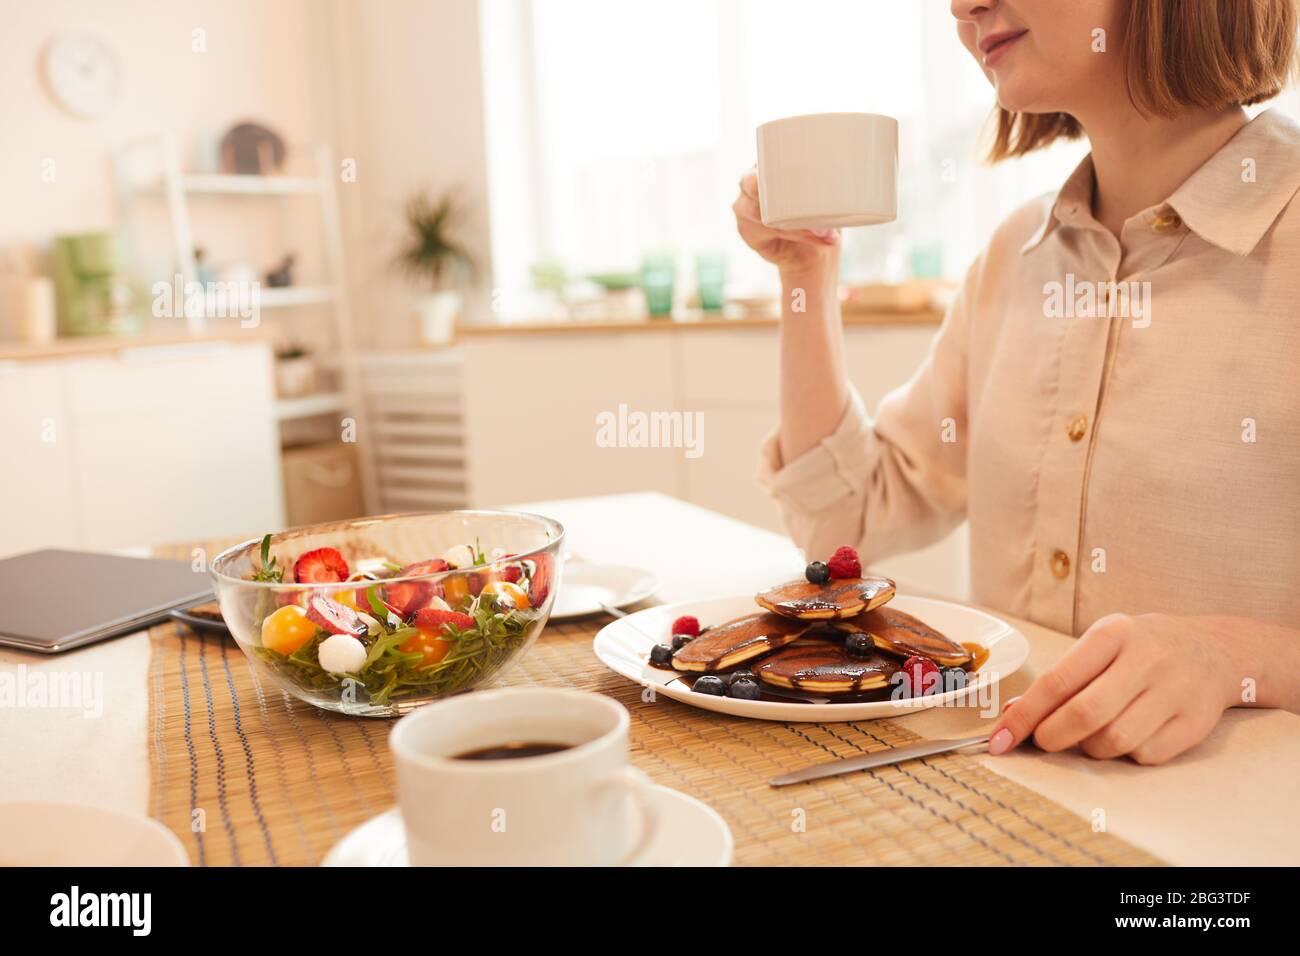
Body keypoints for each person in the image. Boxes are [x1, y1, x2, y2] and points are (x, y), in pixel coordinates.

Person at [732, 0, 1300, 765]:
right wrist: (806, 273)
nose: (964, 6)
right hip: (1010, 793)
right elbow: (848, 527)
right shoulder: (1015, 257)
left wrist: (1236, 656)